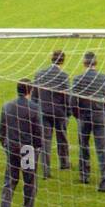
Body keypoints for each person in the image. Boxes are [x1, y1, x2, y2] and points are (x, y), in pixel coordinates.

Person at [0, 81, 43, 207]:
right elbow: (38, 132)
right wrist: (37, 148)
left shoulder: (7, 106)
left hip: (12, 148)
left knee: (10, 180)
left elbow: (2, 130)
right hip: (27, 149)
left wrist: (6, 145)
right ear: (30, 91)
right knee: (29, 182)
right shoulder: (34, 108)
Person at [70, 51, 105, 191]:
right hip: (99, 116)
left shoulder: (78, 79)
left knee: (83, 146)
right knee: (102, 149)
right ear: (96, 63)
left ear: (84, 63)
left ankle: (84, 175)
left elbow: (72, 100)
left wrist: (77, 115)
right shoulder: (104, 78)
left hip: (83, 117)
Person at [32, 50, 72, 178]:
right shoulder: (63, 76)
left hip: (43, 111)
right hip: (59, 112)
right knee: (62, 138)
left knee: (45, 140)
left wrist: (35, 109)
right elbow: (67, 96)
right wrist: (68, 111)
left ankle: (45, 170)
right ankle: (64, 163)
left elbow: (34, 95)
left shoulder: (39, 74)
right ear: (63, 61)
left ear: (51, 59)